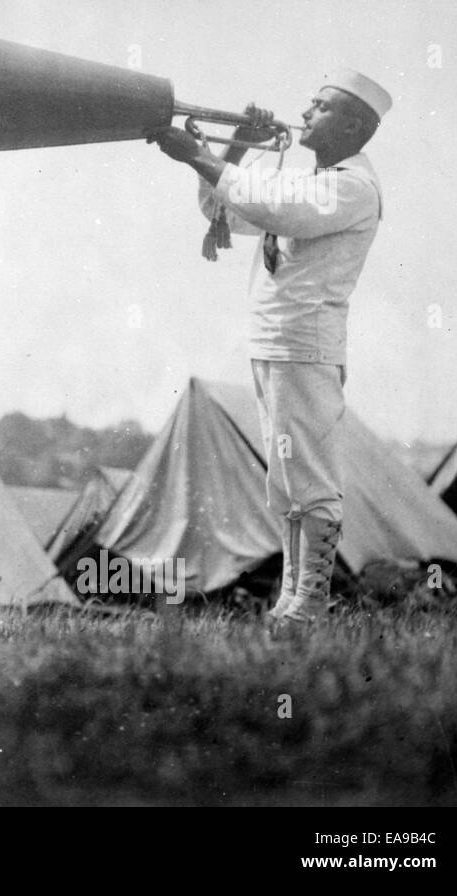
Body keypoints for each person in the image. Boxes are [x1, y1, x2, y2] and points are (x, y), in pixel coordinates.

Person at [147, 69, 392, 622]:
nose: (304, 112)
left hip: (303, 346)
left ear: (354, 125)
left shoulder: (351, 186)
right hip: (275, 343)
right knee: (285, 484)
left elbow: (271, 207)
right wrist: (231, 146)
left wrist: (196, 153)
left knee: (309, 477)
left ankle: (309, 602)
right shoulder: (315, 179)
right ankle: (292, 599)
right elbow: (225, 210)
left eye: (321, 106)